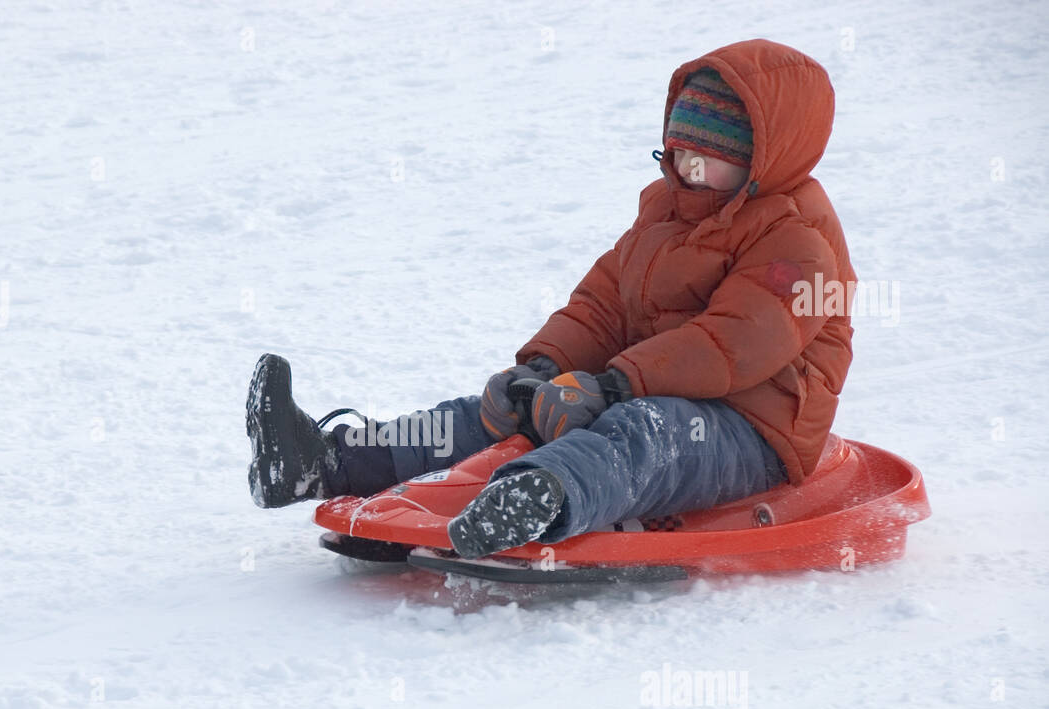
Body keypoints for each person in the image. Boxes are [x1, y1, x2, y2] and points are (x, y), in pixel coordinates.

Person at [247, 38, 856, 560]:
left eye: (709, 159)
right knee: (496, 413)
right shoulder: (663, 210)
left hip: (750, 427)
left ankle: (538, 497)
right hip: (643, 385)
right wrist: (541, 370)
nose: (689, 170)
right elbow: (603, 305)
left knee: (642, 433)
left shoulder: (798, 238)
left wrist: (614, 386)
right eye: (680, 153)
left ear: (761, 159)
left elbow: (734, 344)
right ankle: (322, 461)